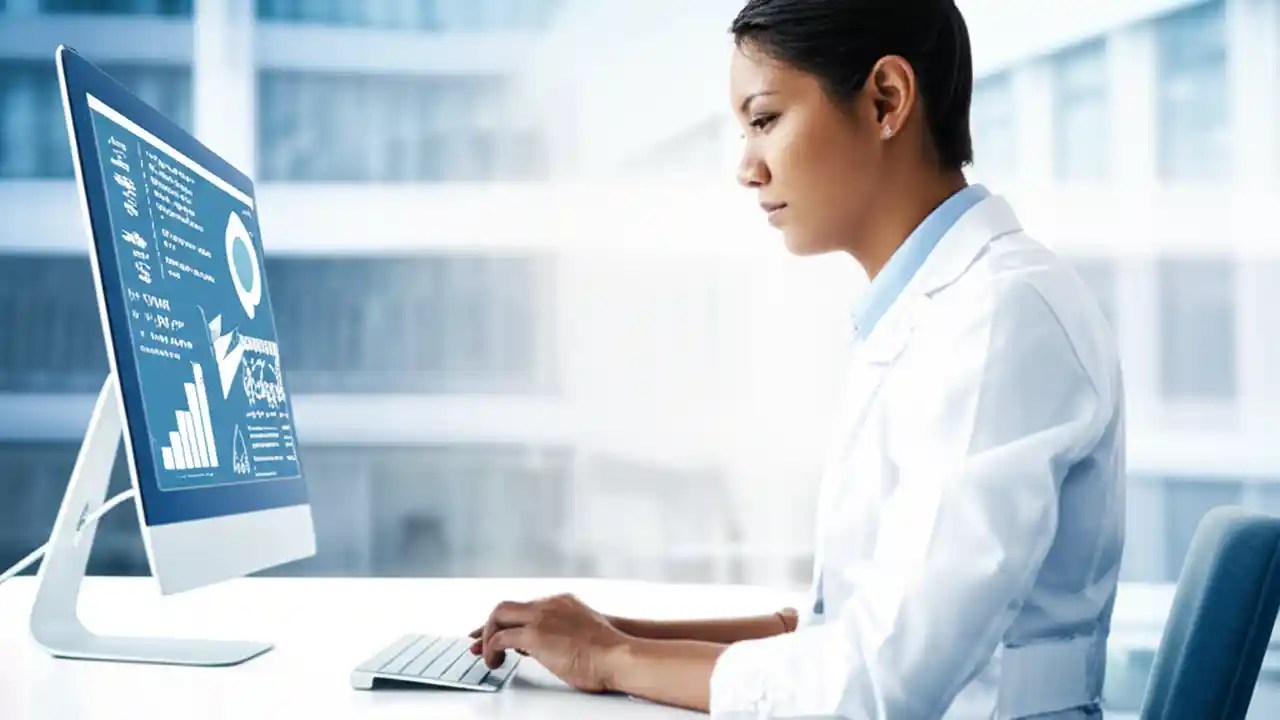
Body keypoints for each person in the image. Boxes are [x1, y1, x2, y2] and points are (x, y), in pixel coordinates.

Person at [469, 1, 1125, 717]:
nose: (747, 168)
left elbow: (877, 682)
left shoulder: (999, 318)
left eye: (765, 119)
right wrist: (612, 636)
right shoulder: (935, 313)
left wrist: (610, 658)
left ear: (886, 100)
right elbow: (837, 632)